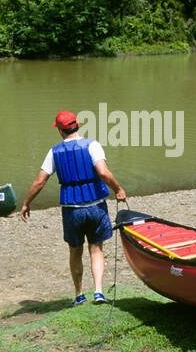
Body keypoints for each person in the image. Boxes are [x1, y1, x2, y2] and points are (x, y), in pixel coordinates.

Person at [20, 110, 128, 306]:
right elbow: (103, 173)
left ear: (60, 131)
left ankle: (79, 295)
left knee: (75, 251)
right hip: (96, 206)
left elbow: (39, 182)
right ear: (78, 126)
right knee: (96, 248)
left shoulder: (54, 152)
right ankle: (98, 292)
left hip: (72, 210)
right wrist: (118, 190)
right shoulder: (93, 145)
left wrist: (27, 203)